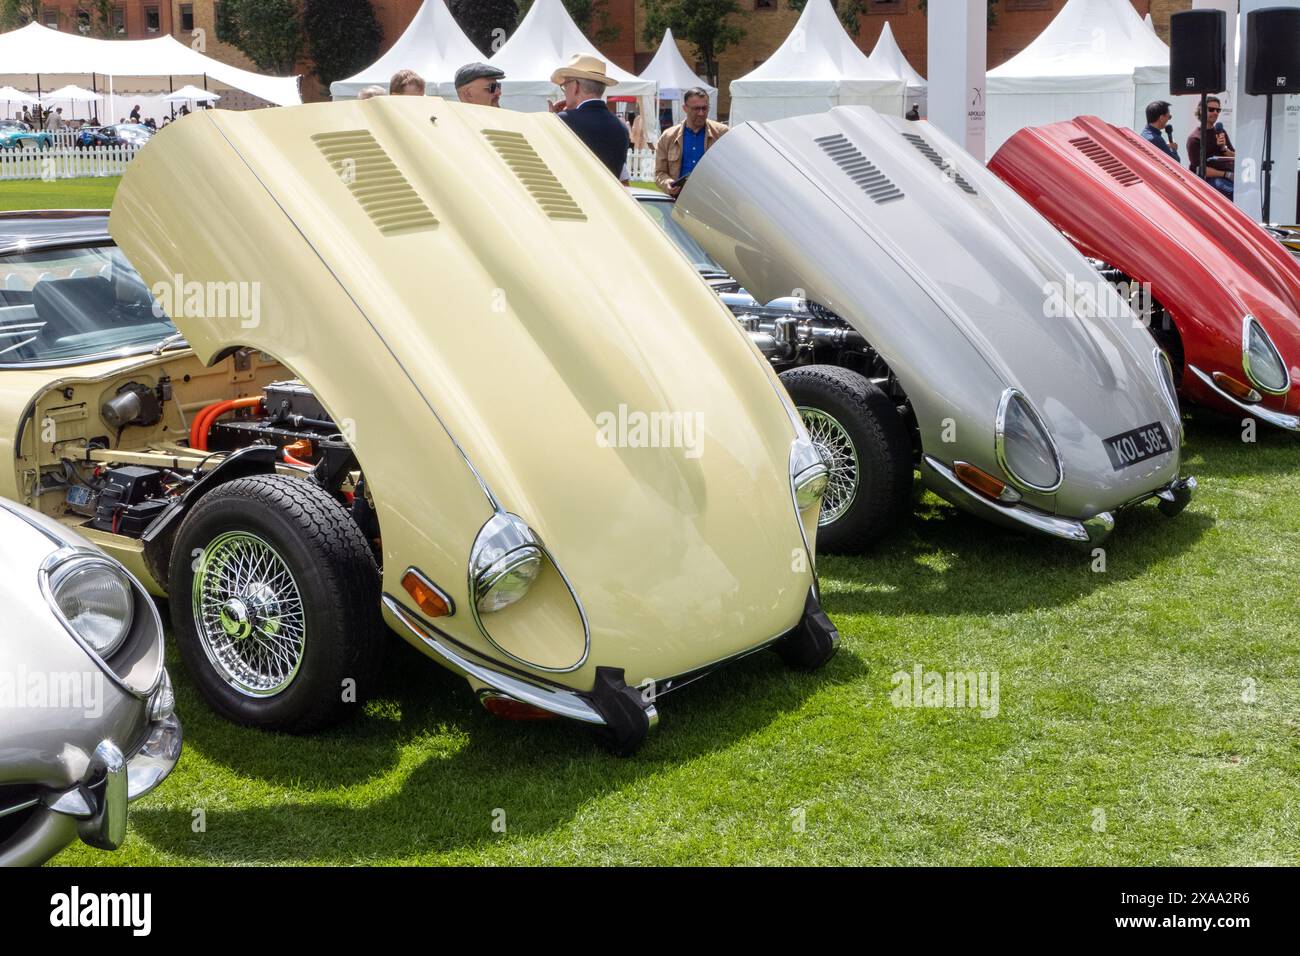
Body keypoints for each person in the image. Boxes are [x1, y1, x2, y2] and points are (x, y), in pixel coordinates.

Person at [550, 54, 628, 178]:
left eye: (565, 86)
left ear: (576, 86)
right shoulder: (621, 127)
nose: (565, 92)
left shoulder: (563, 121)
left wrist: (551, 120)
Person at [654, 88, 728, 198]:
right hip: (679, 201)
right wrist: (667, 183)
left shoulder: (722, 133)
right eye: (696, 109)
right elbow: (659, 172)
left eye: (705, 108)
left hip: (712, 201)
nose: (701, 113)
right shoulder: (668, 137)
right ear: (685, 108)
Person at [1186, 96, 1235, 198]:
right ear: (1201, 111)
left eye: (1218, 110)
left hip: (1229, 176)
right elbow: (1199, 169)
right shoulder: (1194, 139)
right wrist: (1226, 174)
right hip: (1209, 180)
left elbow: (1235, 156)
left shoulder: (1221, 132)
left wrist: (1224, 148)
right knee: (1233, 193)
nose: (1215, 113)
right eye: (1211, 109)